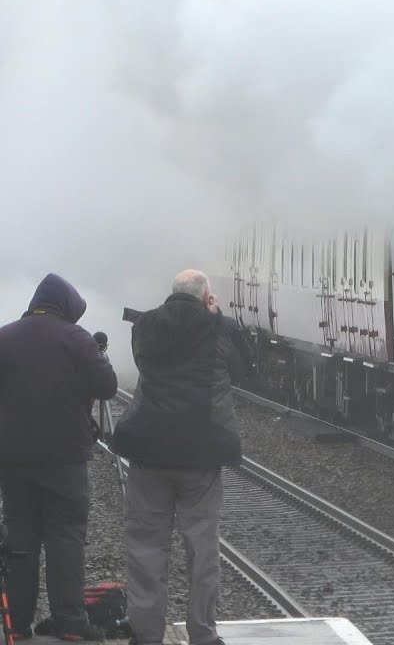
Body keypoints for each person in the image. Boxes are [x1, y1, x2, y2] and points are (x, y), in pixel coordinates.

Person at [114, 270, 248, 645]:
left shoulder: (146, 326)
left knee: (145, 548)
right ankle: (203, 634)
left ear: (171, 295)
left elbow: (143, 362)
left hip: (149, 454)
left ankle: (145, 634)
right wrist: (215, 315)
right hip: (200, 457)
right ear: (206, 296)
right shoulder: (220, 329)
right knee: (203, 549)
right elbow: (243, 368)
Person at [0, 273, 118, 642]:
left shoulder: (5, 336)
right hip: (64, 459)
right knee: (65, 538)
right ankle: (70, 624)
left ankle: (15, 625)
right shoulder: (75, 338)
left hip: (13, 459)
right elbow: (108, 386)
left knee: (19, 540)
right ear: (67, 308)